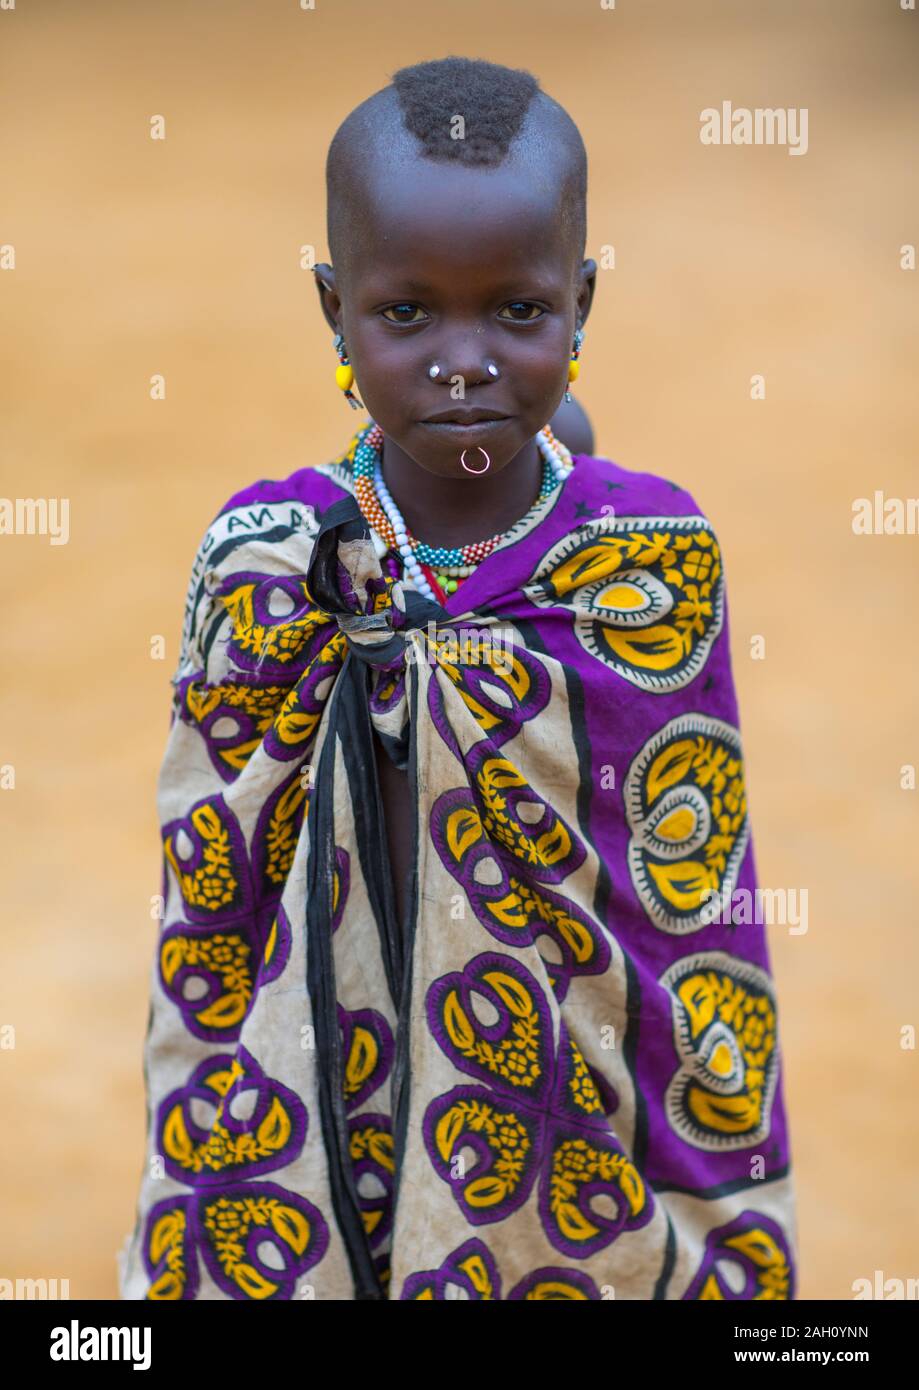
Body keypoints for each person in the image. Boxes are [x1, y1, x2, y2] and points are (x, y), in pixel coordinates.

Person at [118, 56, 797, 1301]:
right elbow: (209, 898)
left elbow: (691, 913)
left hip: (560, 1131)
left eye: (519, 312)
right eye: (408, 312)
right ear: (333, 308)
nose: (463, 362)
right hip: (310, 1105)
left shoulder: (641, 568)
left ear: (583, 301)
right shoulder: (268, 566)